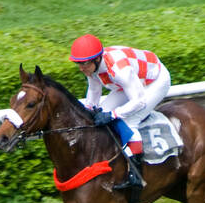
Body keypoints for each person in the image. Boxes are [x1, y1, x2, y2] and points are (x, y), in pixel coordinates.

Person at [69, 34, 171, 193]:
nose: (81, 68)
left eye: (84, 64)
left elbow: (139, 101)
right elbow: (94, 92)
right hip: (128, 84)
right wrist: (87, 114)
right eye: (78, 64)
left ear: (96, 60)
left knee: (129, 121)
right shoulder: (93, 68)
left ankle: (136, 175)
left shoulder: (119, 70)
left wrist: (113, 115)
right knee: (100, 114)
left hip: (155, 81)